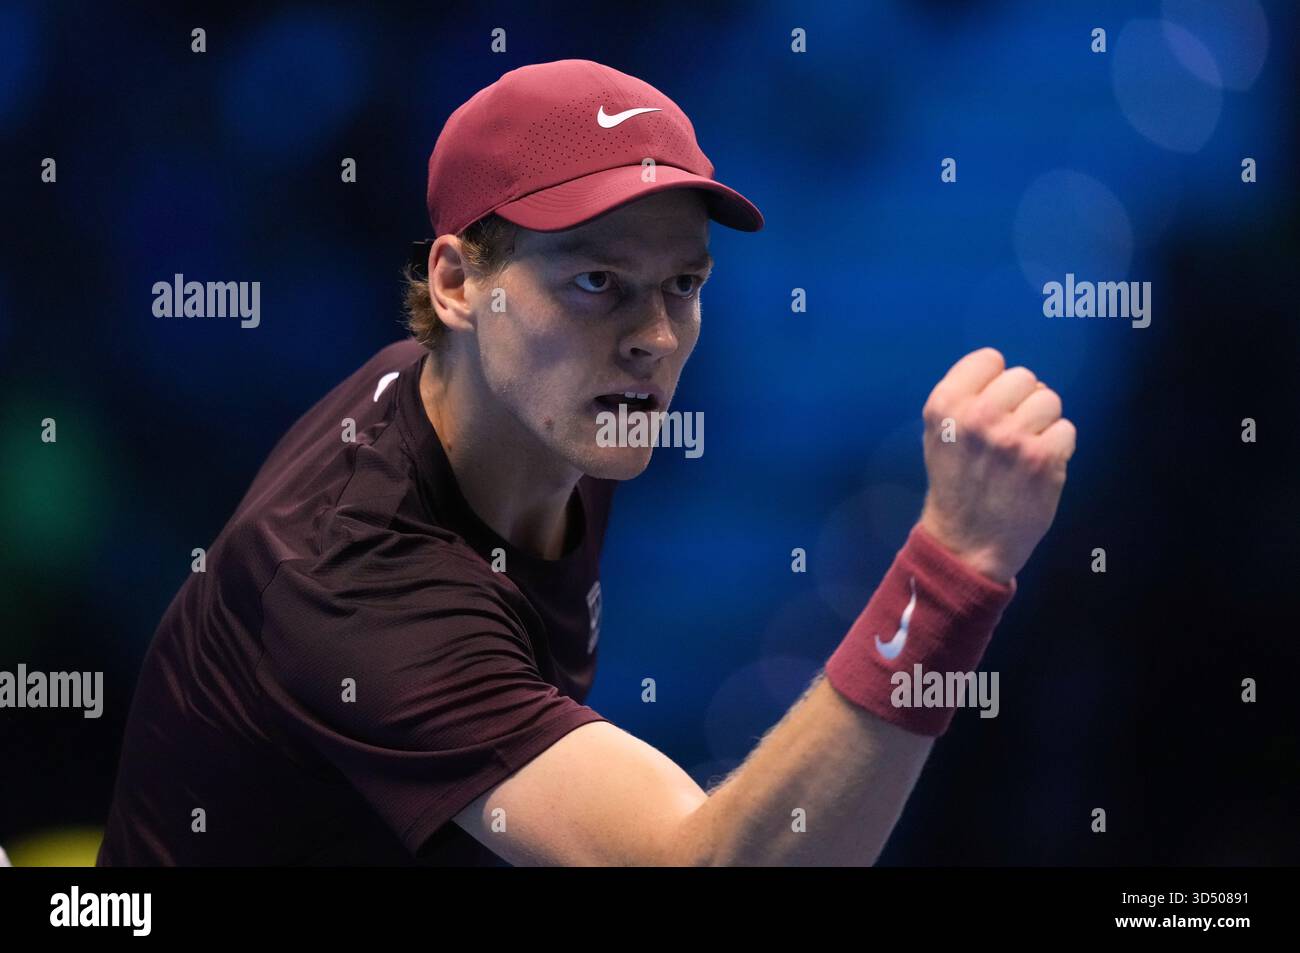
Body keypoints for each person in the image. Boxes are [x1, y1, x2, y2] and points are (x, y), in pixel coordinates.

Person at [97, 58, 1075, 867]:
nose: (654, 336)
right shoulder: (355, 567)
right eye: (597, 280)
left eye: (683, 284)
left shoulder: (520, 401)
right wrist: (955, 566)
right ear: (455, 282)